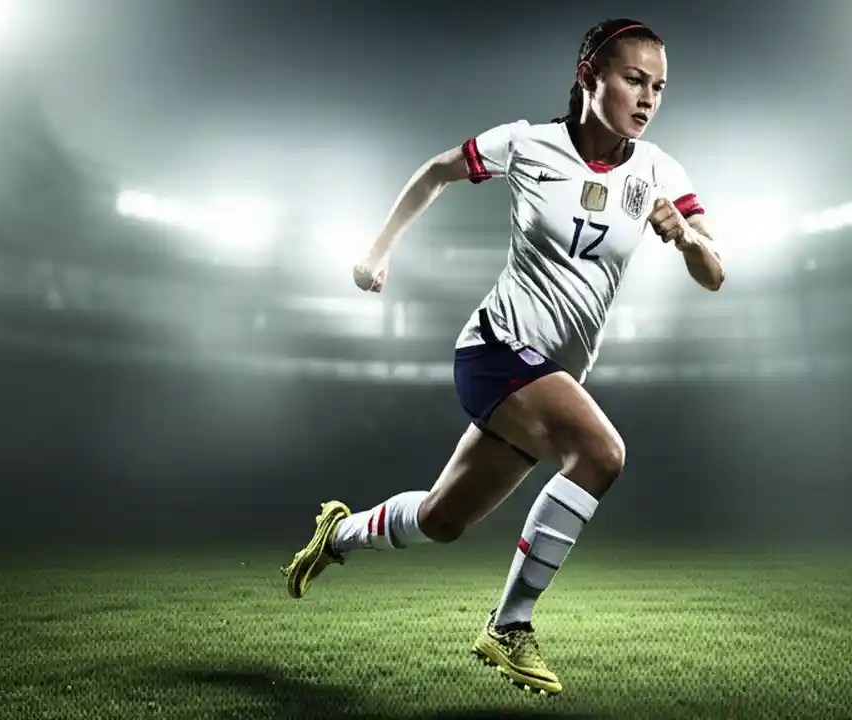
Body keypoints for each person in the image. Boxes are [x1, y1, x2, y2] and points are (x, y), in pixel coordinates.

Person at [281, 18, 724, 696]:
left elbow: (715, 272)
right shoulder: (528, 143)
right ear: (588, 76)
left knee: (441, 520)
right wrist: (377, 252)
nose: (648, 97)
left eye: (659, 86)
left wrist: (688, 236)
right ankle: (509, 627)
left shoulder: (661, 170)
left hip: (551, 375)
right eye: (634, 79)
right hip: (495, 349)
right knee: (602, 455)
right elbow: (437, 172)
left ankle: (338, 535)